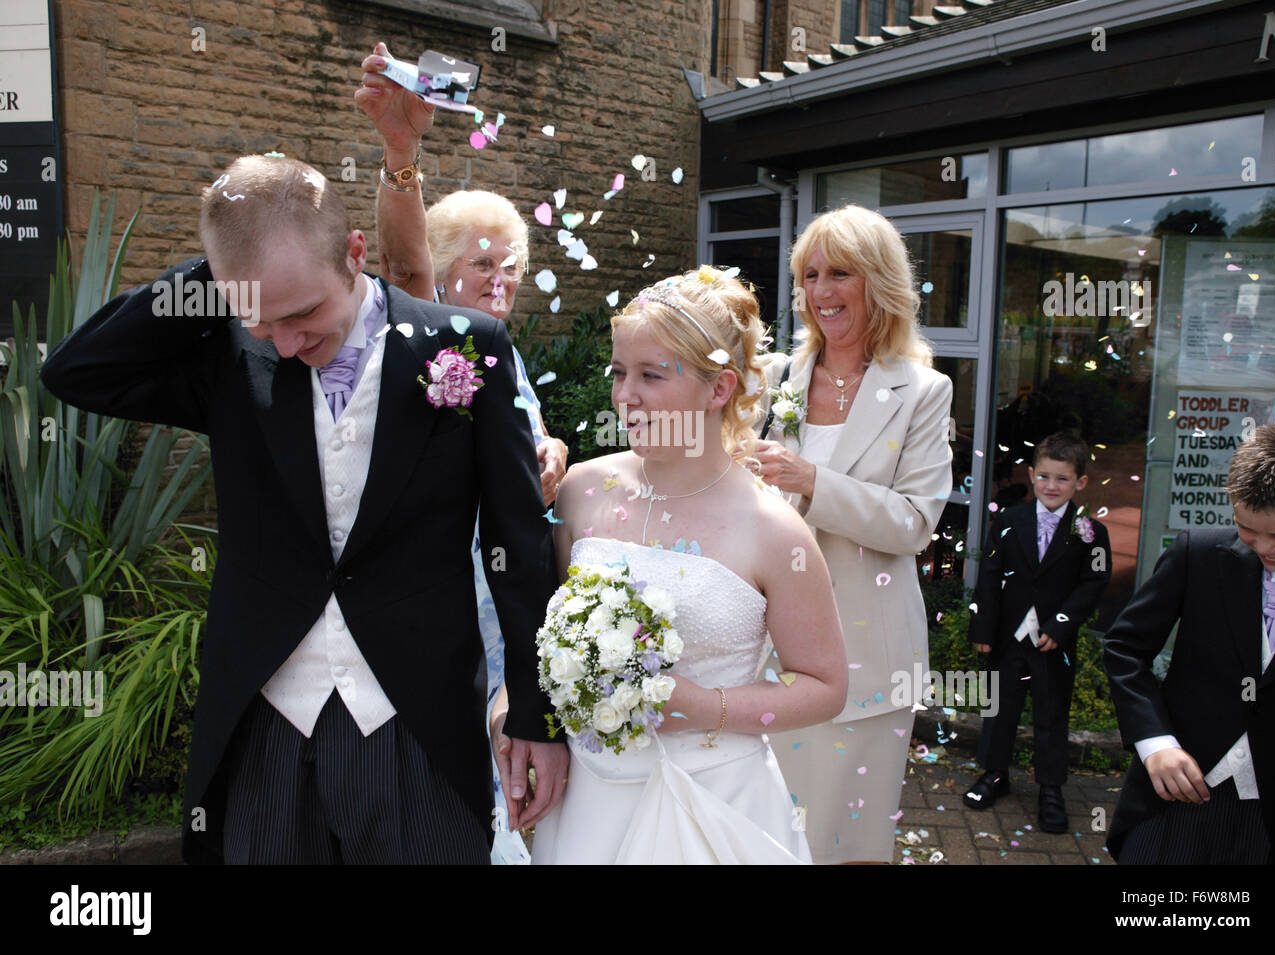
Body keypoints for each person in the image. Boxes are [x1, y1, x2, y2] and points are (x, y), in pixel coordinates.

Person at [39, 154, 568, 863]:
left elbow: (519, 543)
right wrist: (225, 261)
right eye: (262, 322)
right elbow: (75, 370)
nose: (287, 342)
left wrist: (537, 715)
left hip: (420, 726)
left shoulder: (466, 347)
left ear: (354, 253)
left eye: (303, 313)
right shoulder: (229, 358)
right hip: (266, 727)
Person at [502, 266, 847, 864]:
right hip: (587, 802)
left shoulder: (772, 530)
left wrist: (704, 707)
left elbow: (825, 687)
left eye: (651, 376)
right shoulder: (583, 491)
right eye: (618, 373)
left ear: (719, 389)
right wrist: (517, 714)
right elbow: (543, 634)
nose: (623, 396)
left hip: (713, 802)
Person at [357, 50, 568, 861]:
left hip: (506, 583)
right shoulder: (425, 333)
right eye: (483, 263)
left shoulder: (504, 353)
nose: (502, 277)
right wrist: (401, 158)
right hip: (441, 586)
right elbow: (402, 267)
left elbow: (512, 450)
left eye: (511, 264)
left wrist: (547, 449)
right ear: (445, 275)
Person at [751, 204, 953, 864]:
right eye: (809, 274)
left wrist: (813, 480)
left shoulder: (923, 390)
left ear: (879, 282)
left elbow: (915, 522)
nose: (822, 292)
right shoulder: (778, 378)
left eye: (841, 273)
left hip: (870, 661)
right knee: (776, 833)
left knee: (851, 841)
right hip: (775, 651)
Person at [1104, 421, 1275, 864]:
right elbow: (1125, 649)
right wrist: (1156, 744)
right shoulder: (1198, 555)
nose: (1266, 548)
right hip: (1175, 796)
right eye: (1247, 528)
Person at [963, 431, 1112, 832]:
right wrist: (983, 626)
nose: (1051, 486)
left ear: (1080, 482)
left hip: (1052, 642)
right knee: (1000, 707)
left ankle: (1050, 788)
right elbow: (991, 574)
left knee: (1051, 713)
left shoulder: (1091, 532)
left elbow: (1093, 583)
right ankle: (994, 774)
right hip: (1009, 637)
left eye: (1062, 479)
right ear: (1030, 474)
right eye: (1044, 476)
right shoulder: (1009, 520)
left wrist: (1061, 625)